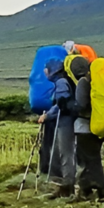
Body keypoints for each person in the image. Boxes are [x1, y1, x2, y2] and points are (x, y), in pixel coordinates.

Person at [66, 55, 104, 201]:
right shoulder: (96, 81)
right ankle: (96, 190)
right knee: (94, 158)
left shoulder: (83, 83)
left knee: (85, 161)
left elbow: (80, 105)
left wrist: (68, 106)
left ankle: (91, 191)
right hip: (98, 126)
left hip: (84, 127)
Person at [45, 57, 76, 197]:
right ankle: (64, 185)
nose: (45, 71)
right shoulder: (63, 80)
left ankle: (67, 186)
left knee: (65, 153)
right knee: (63, 152)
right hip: (67, 120)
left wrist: (47, 115)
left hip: (65, 121)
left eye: (47, 68)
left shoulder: (61, 83)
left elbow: (61, 105)